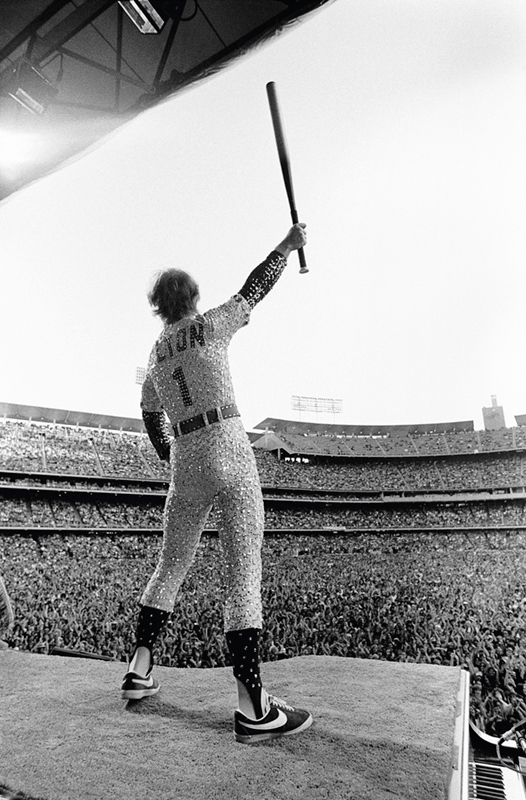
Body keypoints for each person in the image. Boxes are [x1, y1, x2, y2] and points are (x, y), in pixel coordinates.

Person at [121, 223, 312, 743]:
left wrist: (170, 455)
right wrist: (286, 246)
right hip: (226, 443)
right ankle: (253, 707)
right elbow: (255, 288)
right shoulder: (210, 326)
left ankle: (139, 669)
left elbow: (149, 414)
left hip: (185, 458)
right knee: (242, 573)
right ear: (193, 298)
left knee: (170, 565)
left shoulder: (155, 357)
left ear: (158, 308)